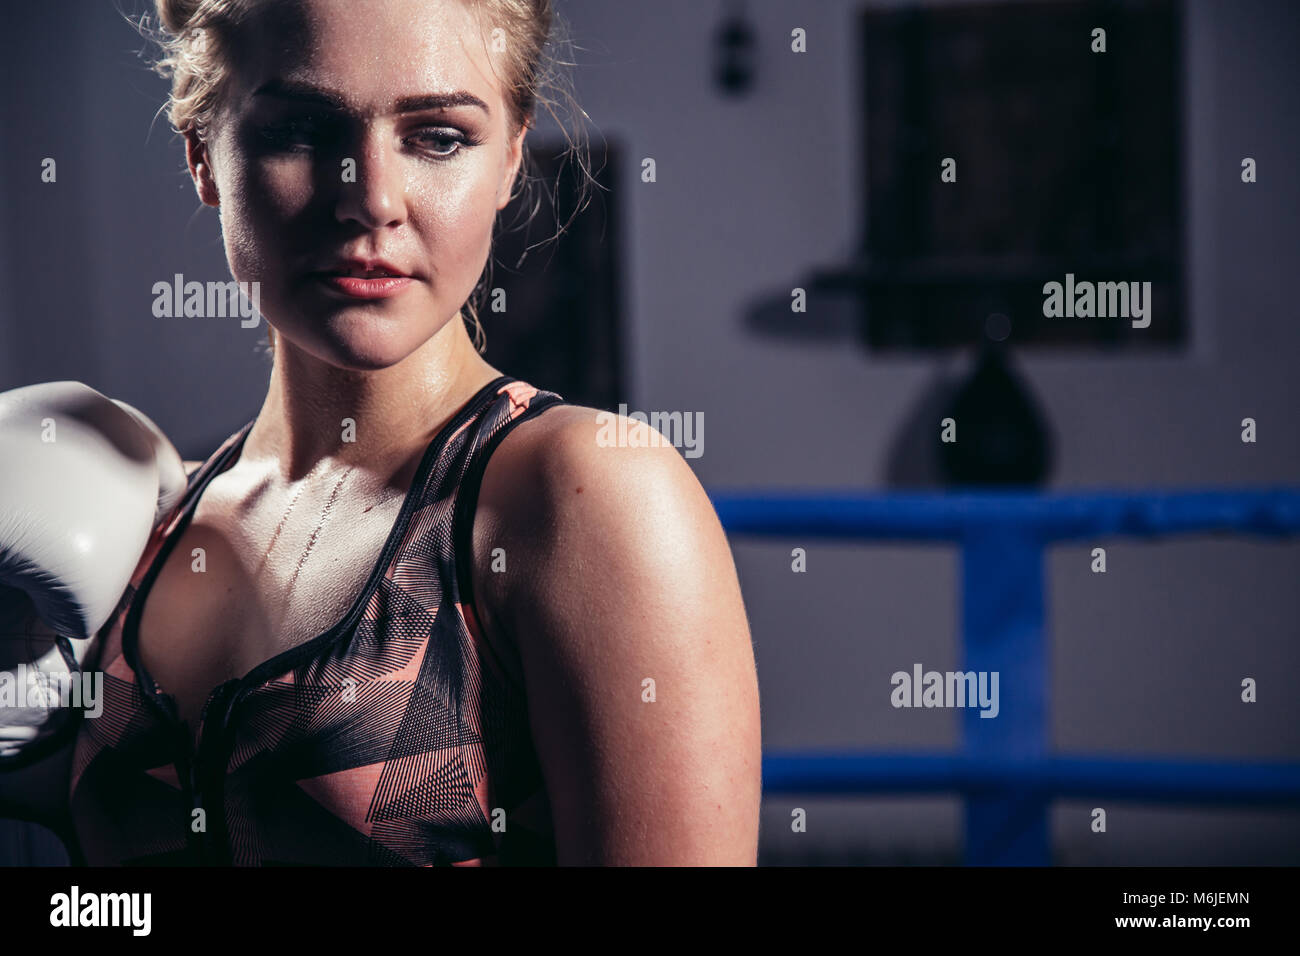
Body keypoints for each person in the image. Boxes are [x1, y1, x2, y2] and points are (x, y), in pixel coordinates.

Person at [0, 0, 760, 865]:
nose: (372, 201)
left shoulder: (586, 497)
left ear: (512, 156)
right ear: (202, 151)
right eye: (301, 129)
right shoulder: (154, 527)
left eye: (437, 136)